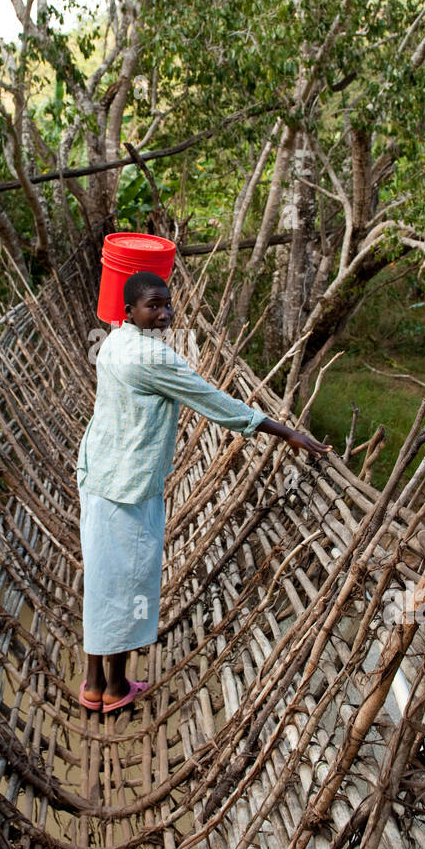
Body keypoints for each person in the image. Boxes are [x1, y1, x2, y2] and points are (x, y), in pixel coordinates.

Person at [76, 270, 331, 713]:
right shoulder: (155, 361)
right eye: (153, 306)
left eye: (167, 304)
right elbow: (216, 403)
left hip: (97, 474)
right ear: (130, 311)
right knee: (128, 587)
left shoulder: (114, 342)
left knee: (102, 581)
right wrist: (285, 432)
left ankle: (93, 683)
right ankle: (115, 691)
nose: (164, 314)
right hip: (130, 489)